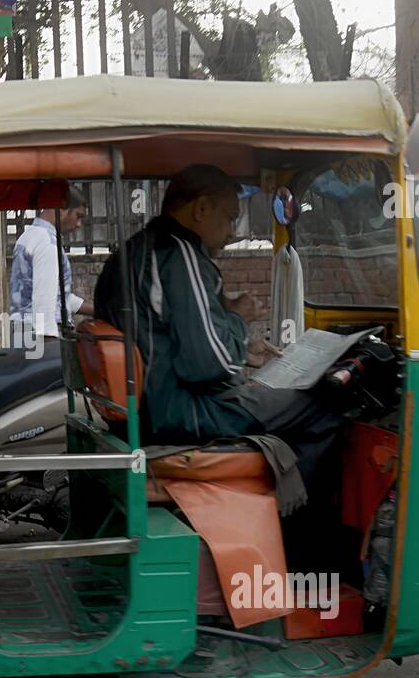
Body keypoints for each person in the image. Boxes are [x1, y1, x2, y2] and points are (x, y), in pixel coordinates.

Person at [93, 164, 341, 488]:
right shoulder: (179, 254)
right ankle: (296, 526)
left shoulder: (131, 252)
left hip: (148, 408)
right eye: (229, 217)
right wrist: (239, 321)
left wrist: (241, 347)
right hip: (182, 412)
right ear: (201, 208)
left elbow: (177, 337)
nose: (232, 232)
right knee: (324, 406)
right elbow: (207, 364)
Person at [9, 187, 93, 342]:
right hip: (42, 337)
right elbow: (44, 302)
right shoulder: (47, 243)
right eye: (78, 216)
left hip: (23, 333)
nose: (79, 224)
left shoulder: (28, 237)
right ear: (61, 209)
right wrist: (50, 356)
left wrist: (98, 310)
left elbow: (57, 296)